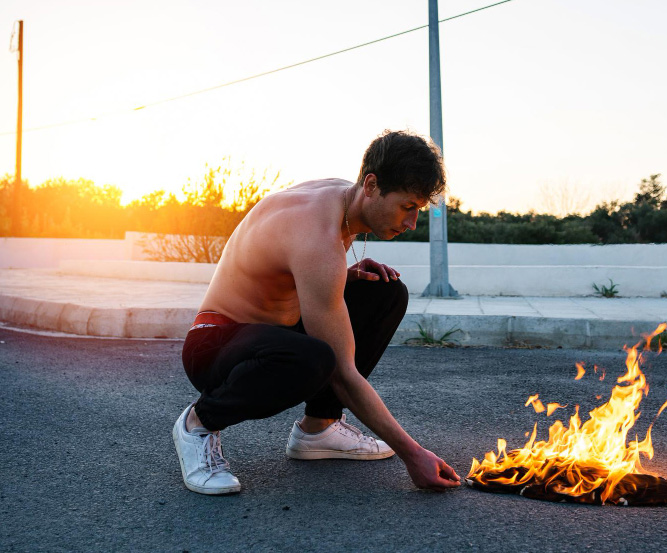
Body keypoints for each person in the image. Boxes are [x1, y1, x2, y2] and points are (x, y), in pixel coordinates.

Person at [172, 130, 461, 495]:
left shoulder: (342, 200)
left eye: (418, 209)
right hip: (213, 344)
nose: (411, 222)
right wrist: (413, 454)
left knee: (385, 292)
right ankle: (198, 423)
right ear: (371, 185)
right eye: (408, 206)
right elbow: (343, 373)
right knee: (315, 359)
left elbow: (295, 269)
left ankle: (319, 428)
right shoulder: (318, 233)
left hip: (271, 331)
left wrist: (343, 275)